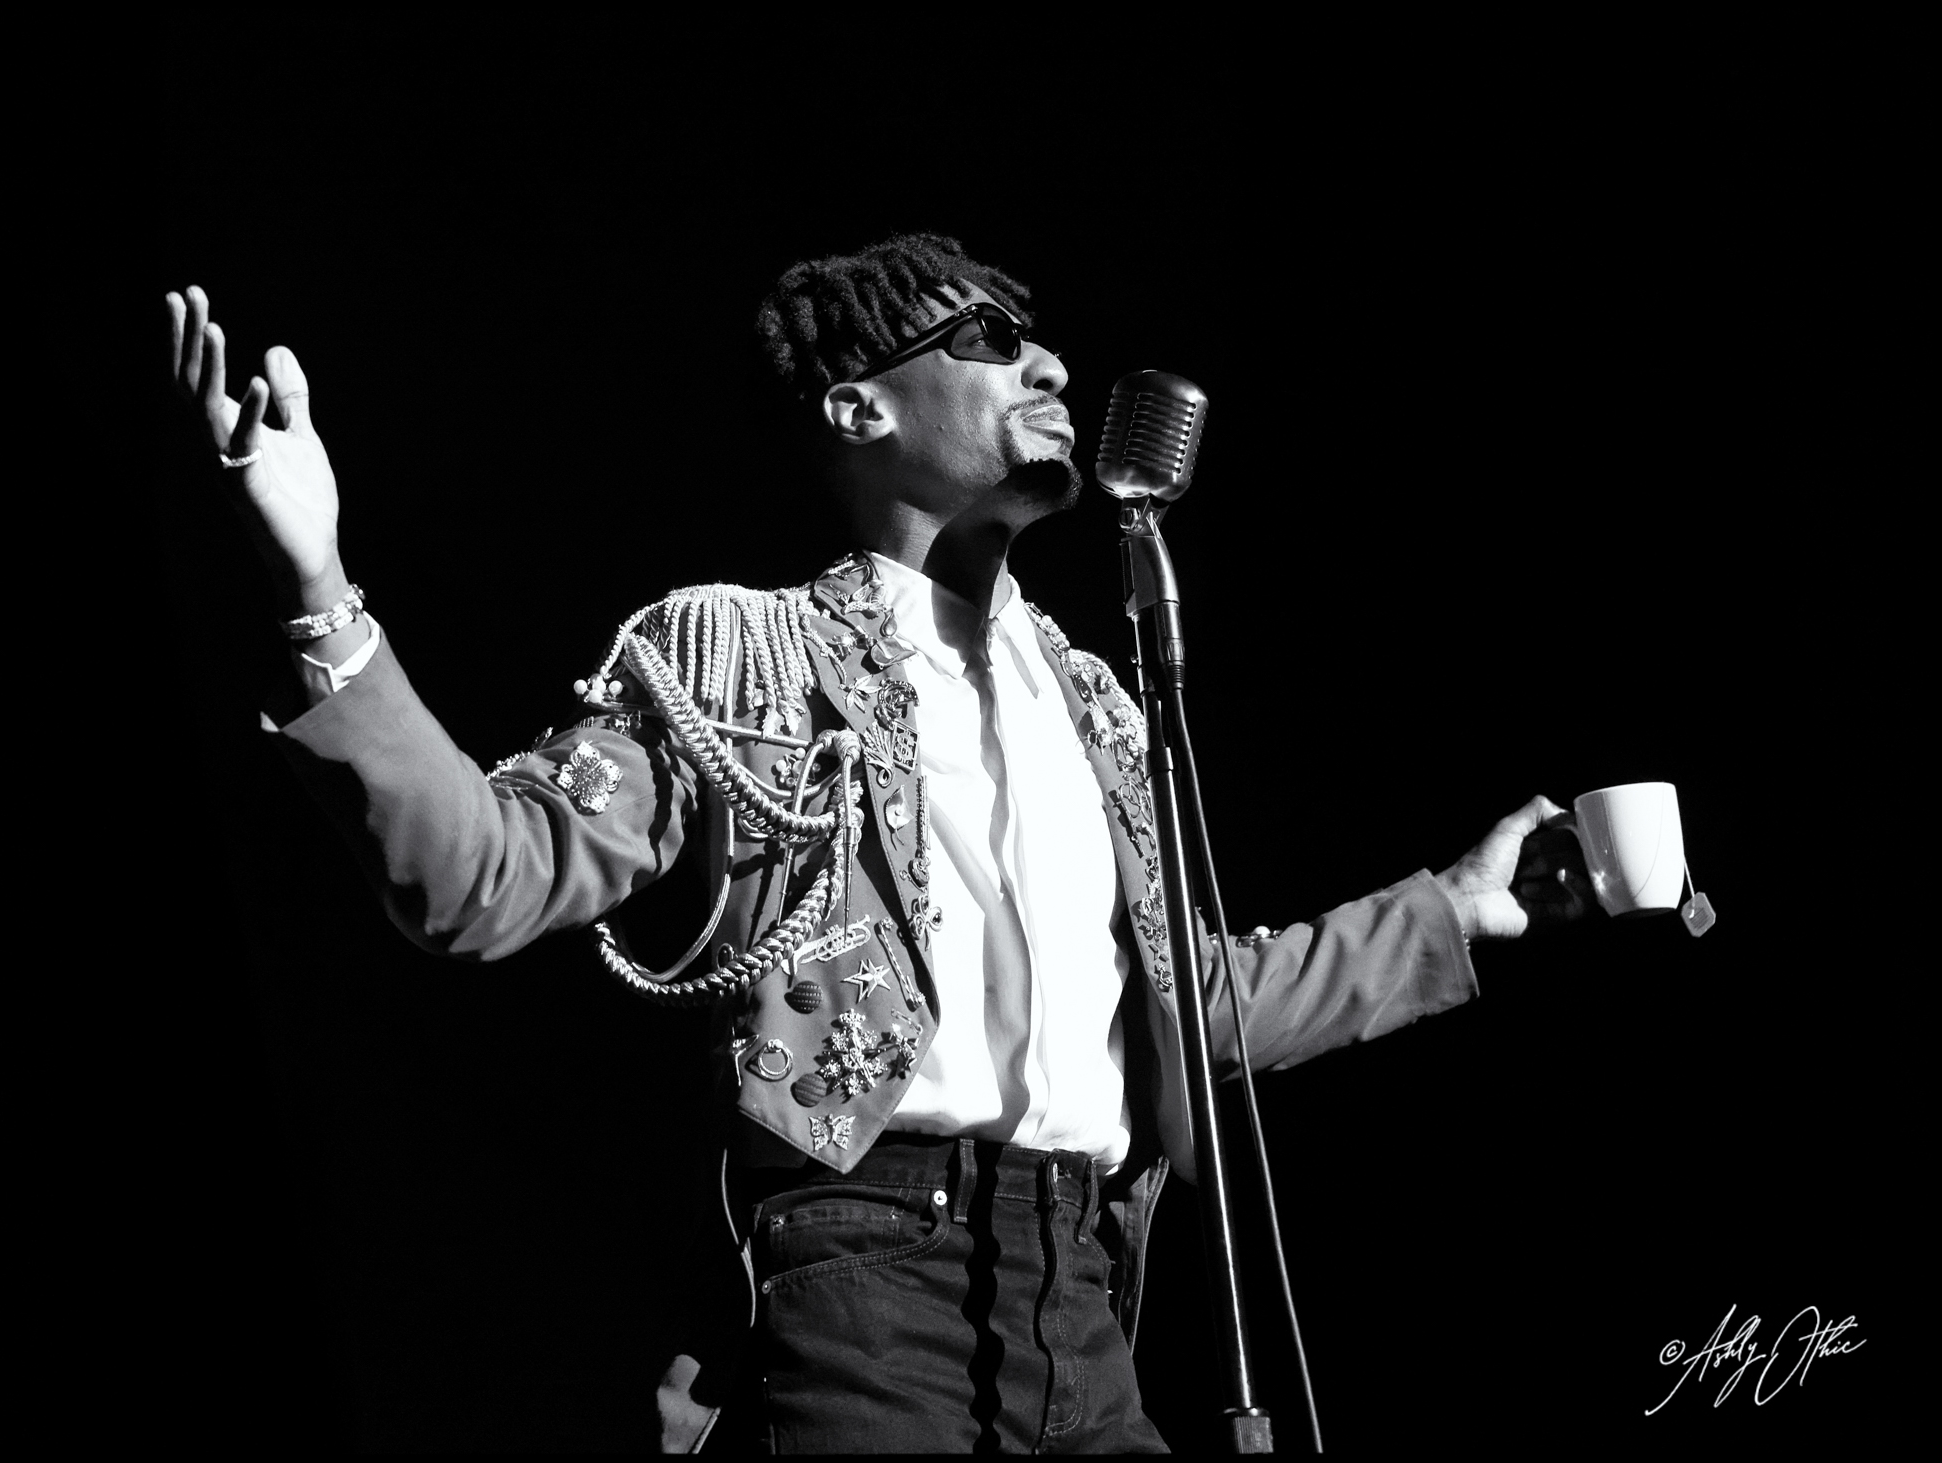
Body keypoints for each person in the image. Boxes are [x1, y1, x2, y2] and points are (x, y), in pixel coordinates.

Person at [166, 233, 1577, 1453]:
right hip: (858, 1272)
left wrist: (1450, 911)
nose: (1051, 371)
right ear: (859, 409)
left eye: (1040, 347)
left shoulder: (1098, 704)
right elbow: (479, 877)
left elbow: (1187, 1002)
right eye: (987, 342)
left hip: (1085, 1294)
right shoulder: (736, 659)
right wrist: (319, 579)